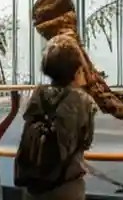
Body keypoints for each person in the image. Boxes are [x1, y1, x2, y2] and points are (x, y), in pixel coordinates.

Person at [22, 38, 98, 200]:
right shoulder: (83, 101)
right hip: (66, 186)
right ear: (77, 71)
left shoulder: (38, 95)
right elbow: (86, 141)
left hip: (34, 185)